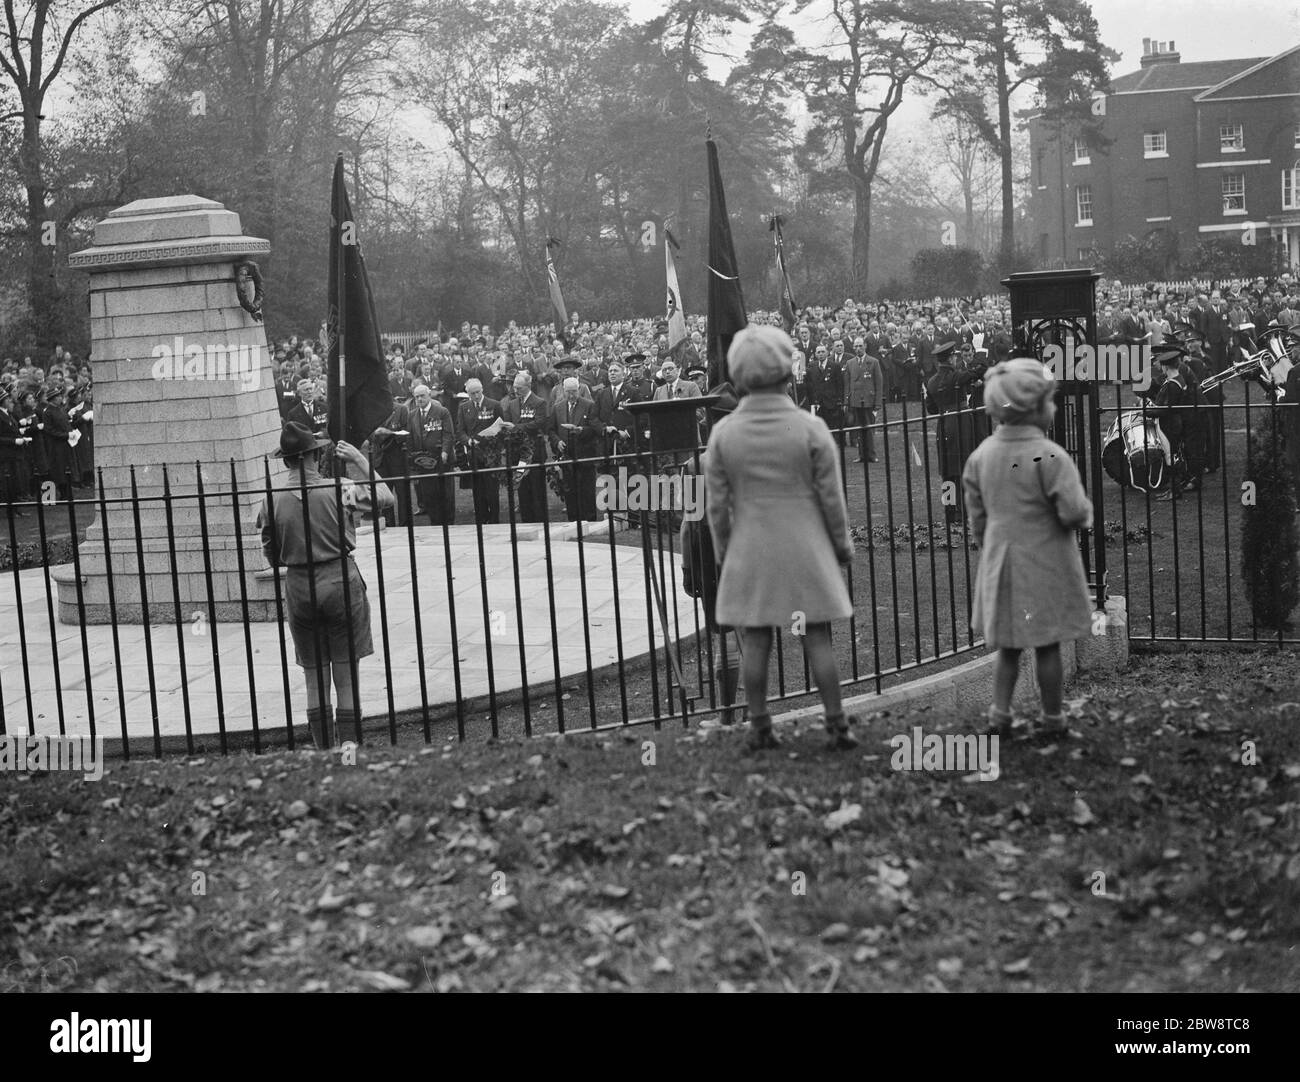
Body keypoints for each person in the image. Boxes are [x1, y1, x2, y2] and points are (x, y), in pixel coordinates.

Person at [704, 325, 859, 752]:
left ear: (738, 374)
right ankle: (836, 722)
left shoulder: (723, 435)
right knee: (816, 635)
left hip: (750, 546)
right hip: (805, 545)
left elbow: (717, 509)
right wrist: (841, 545)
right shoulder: (810, 428)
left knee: (756, 639)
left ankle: (759, 725)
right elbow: (832, 497)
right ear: (786, 370)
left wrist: (724, 554)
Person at [962, 358, 1093, 739]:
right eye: (1050, 402)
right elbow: (1074, 513)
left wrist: (990, 543)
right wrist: (1082, 514)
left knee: (1008, 648)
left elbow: (977, 518)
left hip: (1001, 563)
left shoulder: (981, 456)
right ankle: (1053, 720)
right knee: (1047, 645)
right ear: (1034, 407)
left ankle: (999, 716)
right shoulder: (1051, 456)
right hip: (1046, 563)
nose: (1052, 408)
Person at [258, 421, 394, 748]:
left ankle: (324, 756)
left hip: (299, 585)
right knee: (346, 680)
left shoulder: (271, 501)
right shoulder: (339, 489)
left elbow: (271, 554)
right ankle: (348, 761)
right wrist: (362, 462)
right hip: (339, 579)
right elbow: (386, 498)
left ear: (289, 460)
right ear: (311, 458)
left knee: (314, 678)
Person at [456, 378, 505, 525]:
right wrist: (467, 441)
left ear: (482, 390)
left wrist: (496, 446)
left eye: (477, 392)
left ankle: (494, 519)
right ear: (468, 394)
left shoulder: (494, 405)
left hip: (491, 453)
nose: (476, 396)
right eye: (472, 394)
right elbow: (460, 431)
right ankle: (481, 519)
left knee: (492, 489)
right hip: (474, 454)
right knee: (478, 490)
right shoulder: (464, 408)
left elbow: (502, 427)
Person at [846, 340, 884, 462]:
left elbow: (879, 383)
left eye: (860, 346)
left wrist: (878, 402)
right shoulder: (850, 363)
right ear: (853, 347)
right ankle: (862, 455)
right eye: (856, 346)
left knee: (869, 428)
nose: (858, 348)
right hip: (856, 400)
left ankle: (872, 455)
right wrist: (847, 400)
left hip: (869, 400)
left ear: (865, 346)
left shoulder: (873, 362)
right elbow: (847, 384)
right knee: (859, 429)